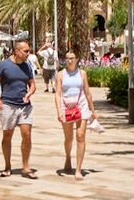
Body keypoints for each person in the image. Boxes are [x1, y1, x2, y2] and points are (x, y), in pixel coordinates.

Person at [0, 39, 37, 179]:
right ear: (17, 51)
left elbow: (32, 84)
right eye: (26, 51)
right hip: (8, 105)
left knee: (27, 135)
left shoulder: (27, 66)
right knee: (7, 136)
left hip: (24, 106)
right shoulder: (3, 65)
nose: (28, 54)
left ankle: (26, 167)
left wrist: (30, 93)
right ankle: (7, 166)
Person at [54, 51, 97, 181]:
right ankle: (68, 156)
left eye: (72, 58)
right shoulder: (61, 74)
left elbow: (87, 92)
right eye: (67, 58)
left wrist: (92, 110)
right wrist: (59, 111)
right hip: (66, 106)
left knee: (80, 136)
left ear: (77, 59)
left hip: (81, 105)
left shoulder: (82, 74)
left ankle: (78, 169)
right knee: (68, 138)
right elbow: (57, 94)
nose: (69, 61)